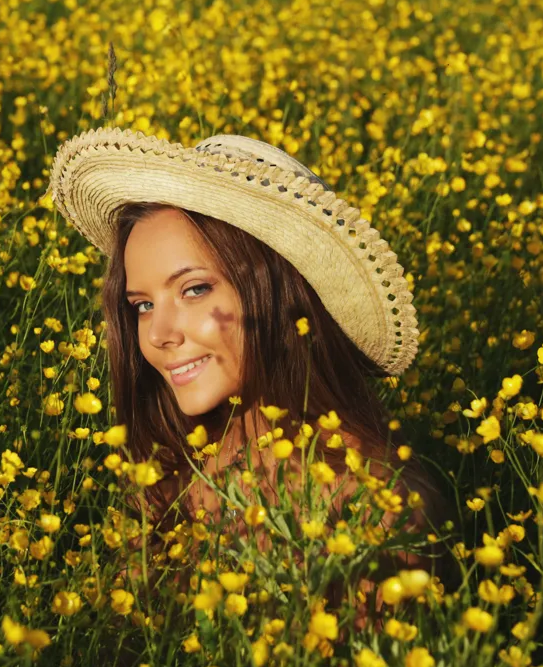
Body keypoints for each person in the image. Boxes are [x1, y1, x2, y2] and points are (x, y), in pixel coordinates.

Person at [47, 127, 452, 629]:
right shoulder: (171, 466)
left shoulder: (378, 511)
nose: (158, 334)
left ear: (280, 291)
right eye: (143, 305)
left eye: (194, 290)